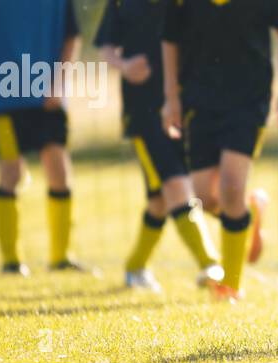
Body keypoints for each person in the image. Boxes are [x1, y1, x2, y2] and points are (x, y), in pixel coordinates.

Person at [162, 0, 278, 301]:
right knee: (204, 197)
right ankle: (250, 215)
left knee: (231, 188)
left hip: (248, 103)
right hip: (198, 105)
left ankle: (230, 286)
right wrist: (171, 97)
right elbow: (170, 41)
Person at [95, 0, 224, 293]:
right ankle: (211, 264)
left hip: (182, 106)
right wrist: (124, 65)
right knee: (176, 187)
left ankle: (135, 267)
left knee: (160, 201)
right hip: (142, 113)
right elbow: (106, 46)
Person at [0, 0, 87, 276]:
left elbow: (72, 35)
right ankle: (11, 261)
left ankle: (61, 257)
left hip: (48, 99)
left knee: (59, 171)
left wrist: (59, 82)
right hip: (7, 100)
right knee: (11, 173)